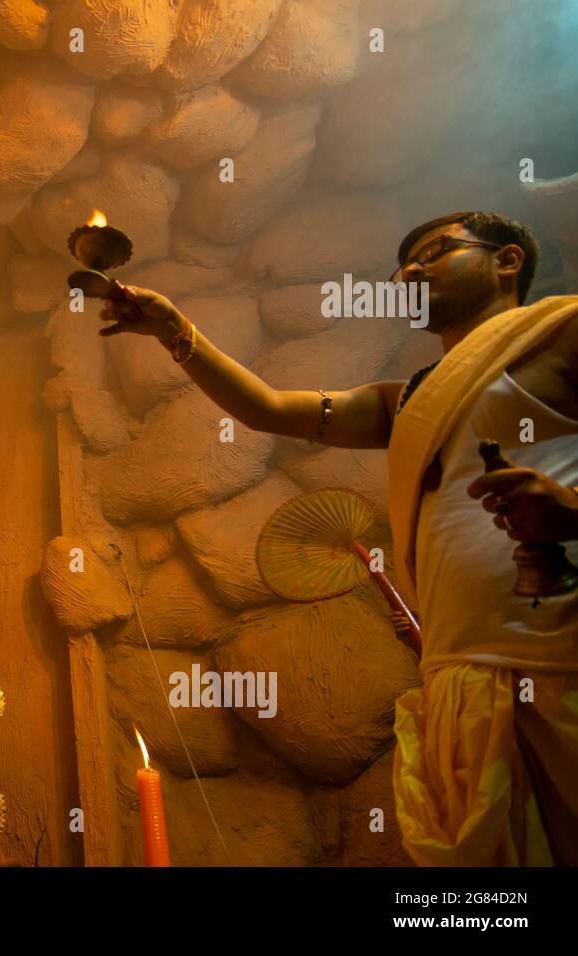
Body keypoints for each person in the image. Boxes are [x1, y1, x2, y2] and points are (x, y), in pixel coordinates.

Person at [100, 211, 578, 866]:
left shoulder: (561, 335)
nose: (411, 271)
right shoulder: (406, 402)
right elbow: (267, 409)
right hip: (461, 674)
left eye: (436, 251)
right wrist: (173, 331)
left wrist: (570, 512)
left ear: (507, 260)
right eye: (402, 268)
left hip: (560, 647)